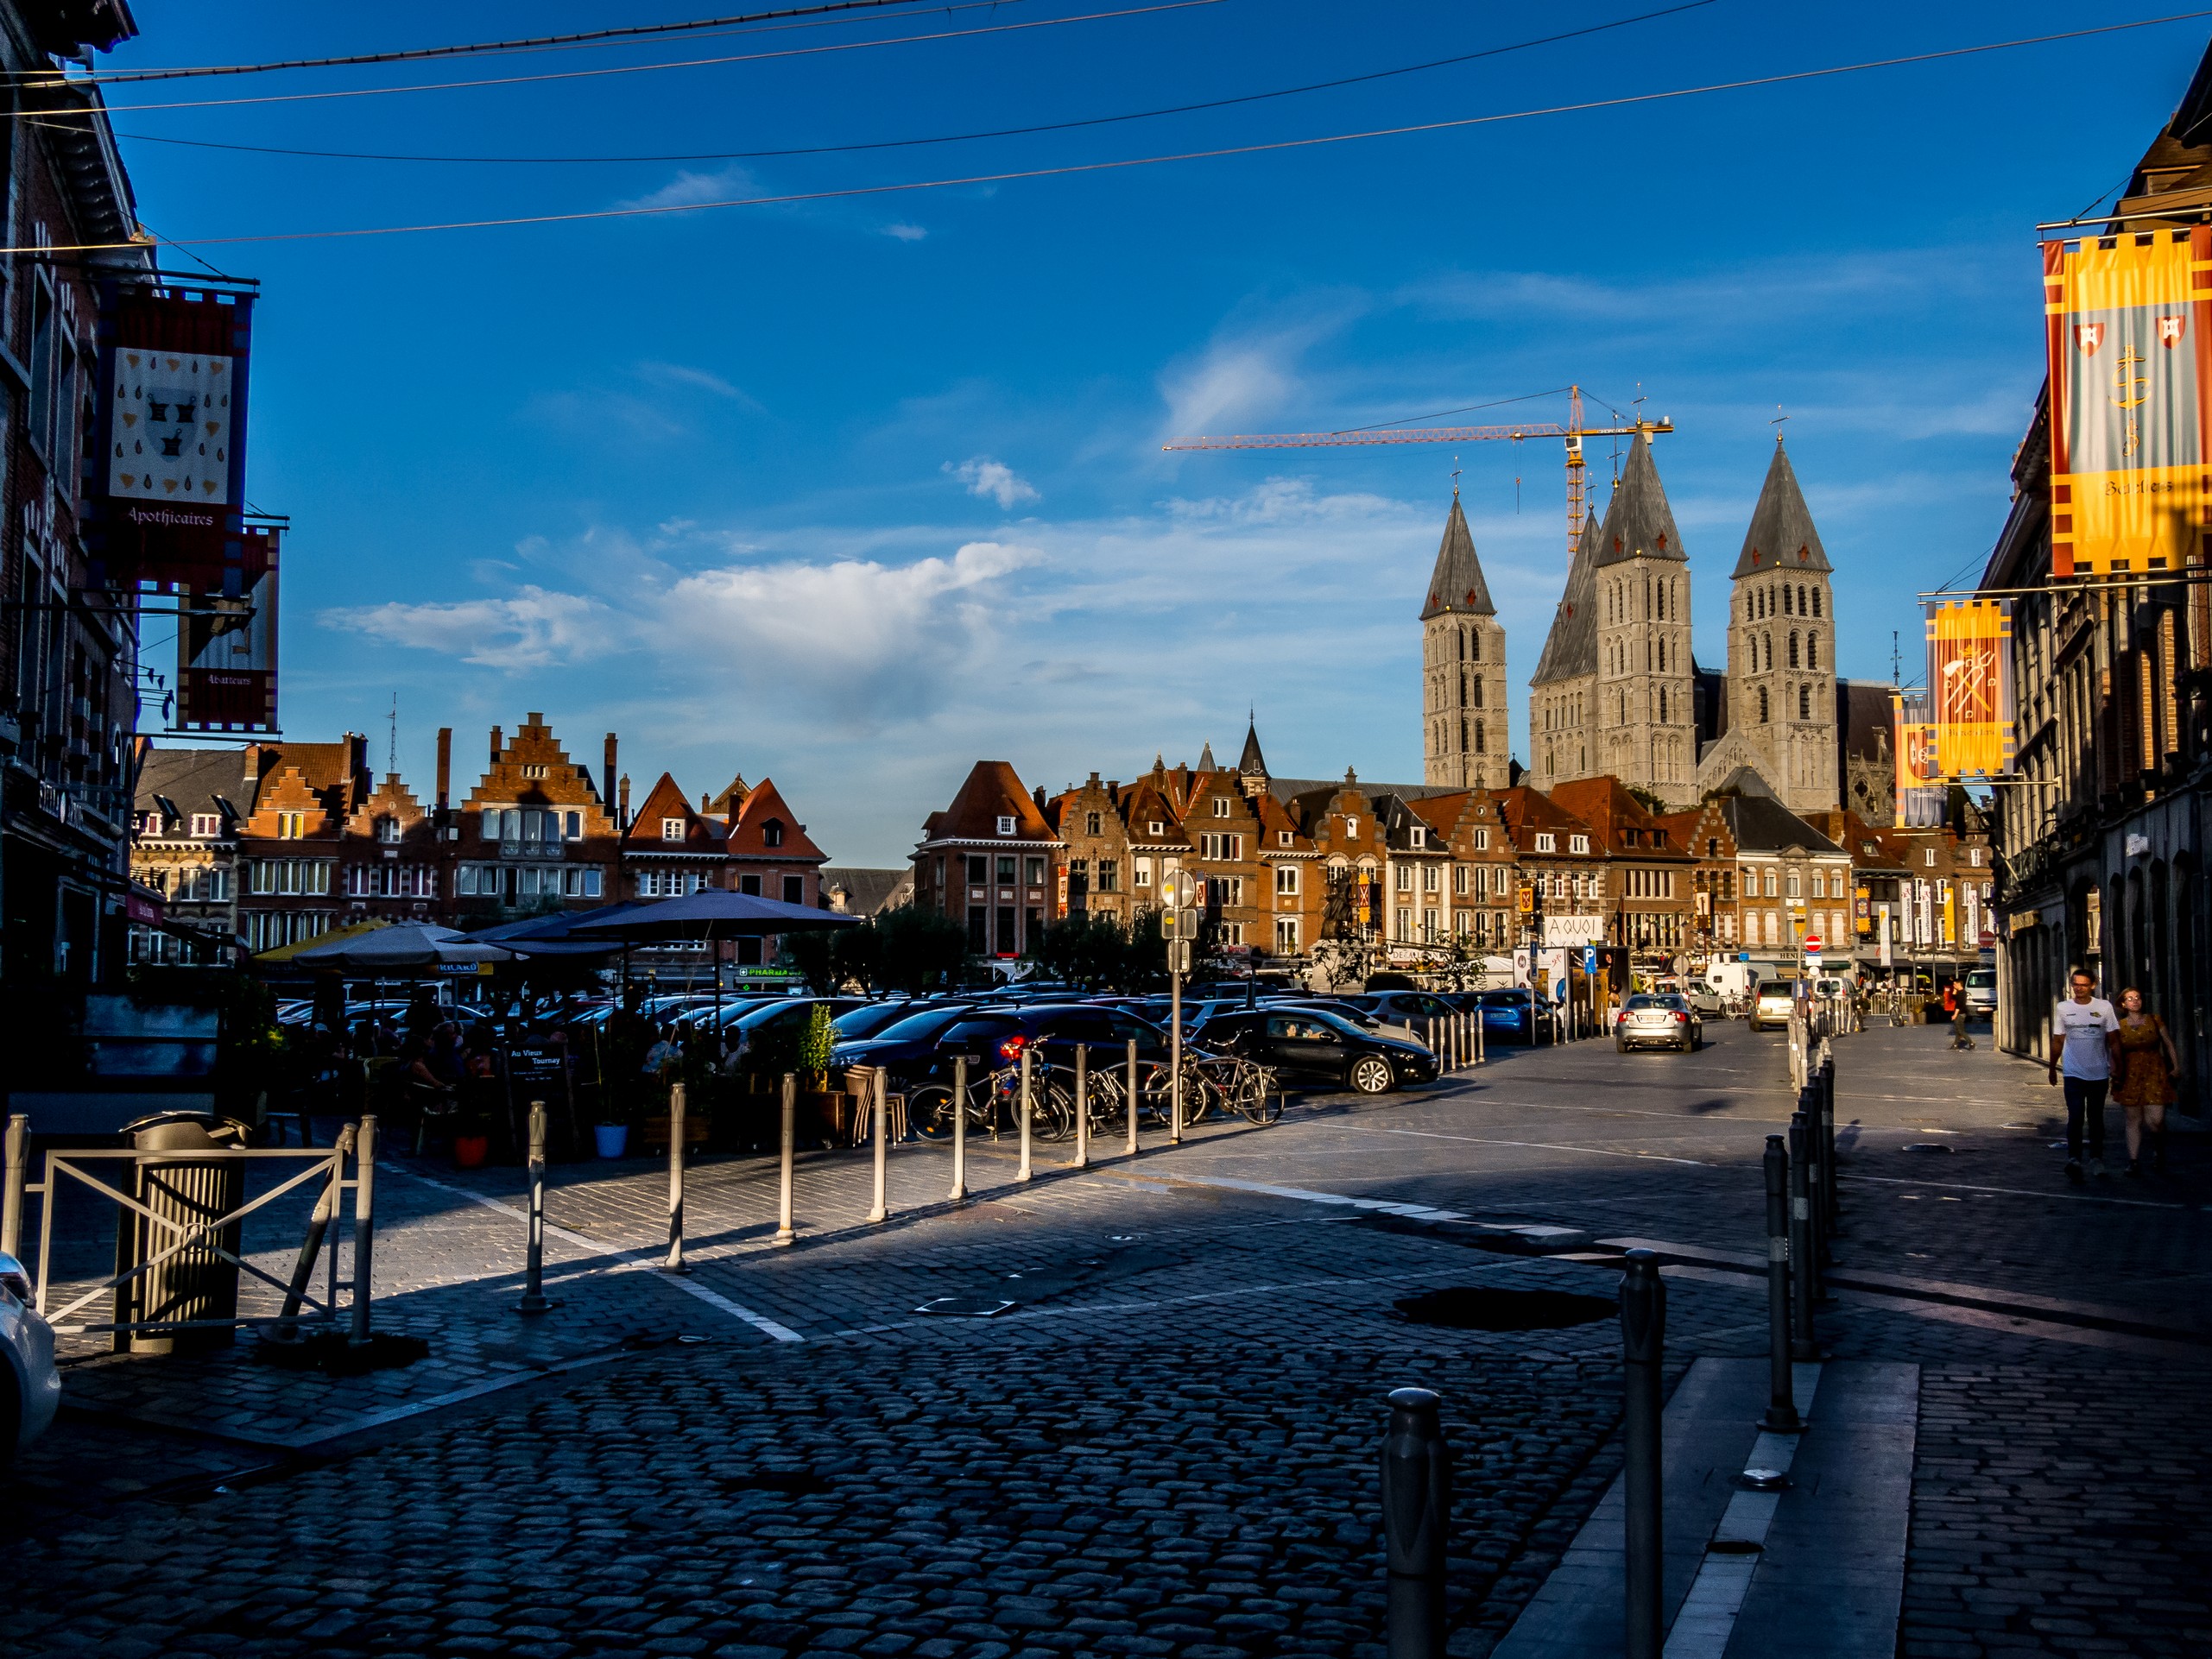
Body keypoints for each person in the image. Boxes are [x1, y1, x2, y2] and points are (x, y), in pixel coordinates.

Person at [2048, 969, 2120, 1182]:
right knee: (2076, 1116)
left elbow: (2114, 1040)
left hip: (2098, 1072)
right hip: (2073, 1072)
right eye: (2075, 984)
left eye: (2083, 984)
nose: (2078, 988)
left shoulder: (2104, 1007)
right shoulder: (2063, 1008)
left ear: (2093, 985)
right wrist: (2053, 1067)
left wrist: (2118, 1068)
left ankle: (2097, 1158)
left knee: (2096, 1118)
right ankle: (2074, 1159)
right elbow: (2058, 1040)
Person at [2111, 987, 2178, 1176]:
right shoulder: (2119, 1026)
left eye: (2138, 998)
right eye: (2130, 999)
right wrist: (2115, 1072)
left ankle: (2158, 1147)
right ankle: (2133, 1160)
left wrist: (2176, 1066)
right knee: (2134, 1119)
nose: (2135, 1001)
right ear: (2123, 1004)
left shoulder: (2154, 1020)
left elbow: (2168, 1042)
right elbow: (2114, 1051)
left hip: (2154, 1072)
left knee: (2156, 1120)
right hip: (2130, 1075)